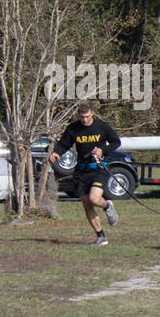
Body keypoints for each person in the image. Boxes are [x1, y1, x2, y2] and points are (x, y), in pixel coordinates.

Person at [48, 101, 121, 246]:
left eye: (87, 117)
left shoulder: (102, 126)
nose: (84, 120)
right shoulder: (73, 129)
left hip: (99, 168)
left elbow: (116, 142)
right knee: (87, 204)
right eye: (82, 117)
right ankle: (101, 236)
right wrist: (56, 152)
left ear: (92, 114)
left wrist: (102, 150)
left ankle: (107, 206)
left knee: (94, 199)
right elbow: (64, 143)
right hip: (81, 171)